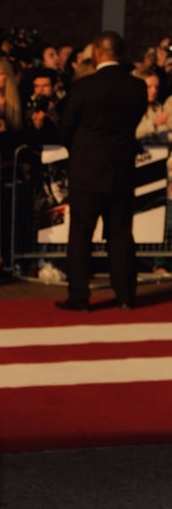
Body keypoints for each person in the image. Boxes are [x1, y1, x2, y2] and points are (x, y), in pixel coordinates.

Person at [56, 31, 147, 311]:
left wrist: (79, 150)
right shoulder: (137, 87)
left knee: (81, 235)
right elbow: (134, 122)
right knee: (121, 234)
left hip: (87, 170)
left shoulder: (84, 87)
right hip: (121, 170)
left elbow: (66, 126)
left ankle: (79, 296)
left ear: (97, 51)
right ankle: (126, 295)